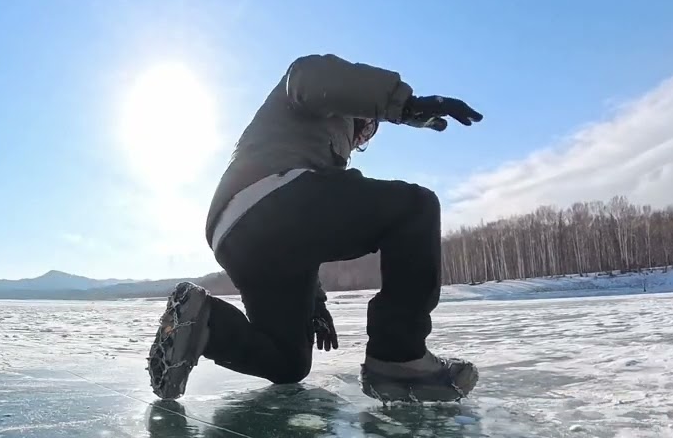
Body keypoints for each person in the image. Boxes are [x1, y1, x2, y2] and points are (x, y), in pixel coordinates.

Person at [146, 53, 483, 402]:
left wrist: (314, 302)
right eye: (366, 125)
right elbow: (310, 78)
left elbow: (314, 226)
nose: (361, 137)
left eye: (368, 135)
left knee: (288, 362)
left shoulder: (313, 152)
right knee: (416, 208)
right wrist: (405, 104)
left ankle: (205, 322)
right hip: (266, 197)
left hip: (237, 236)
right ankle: (399, 357)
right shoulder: (310, 89)